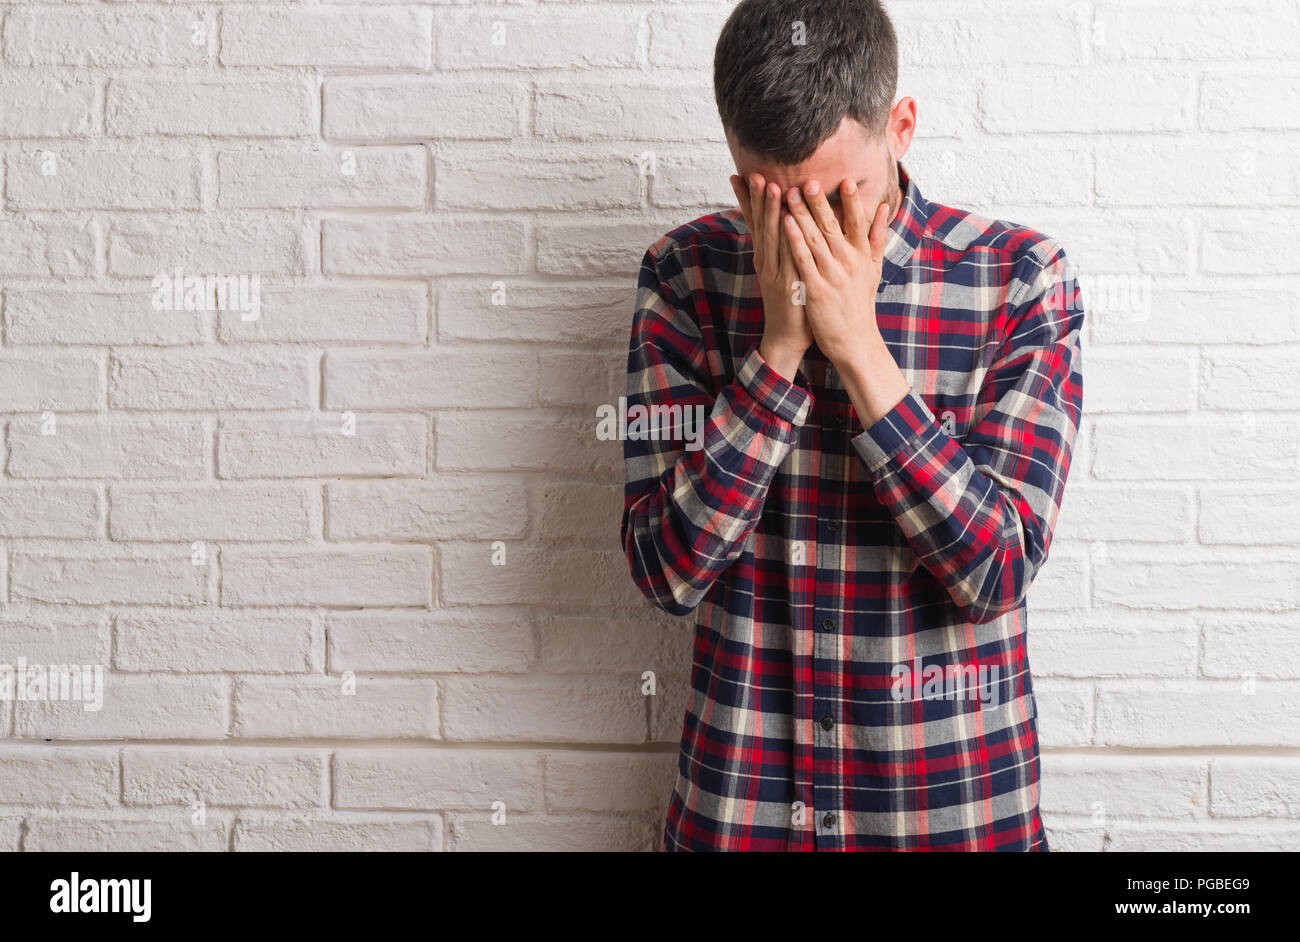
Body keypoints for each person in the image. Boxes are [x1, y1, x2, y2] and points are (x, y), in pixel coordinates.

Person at [620, 0, 1084, 851]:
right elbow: (667, 574)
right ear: (738, 180)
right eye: (779, 204)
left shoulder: (1018, 279)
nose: (813, 234)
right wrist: (780, 351)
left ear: (900, 128)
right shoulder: (685, 277)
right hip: (744, 817)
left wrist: (861, 349)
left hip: (952, 817)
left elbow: (996, 572)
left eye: (840, 196)